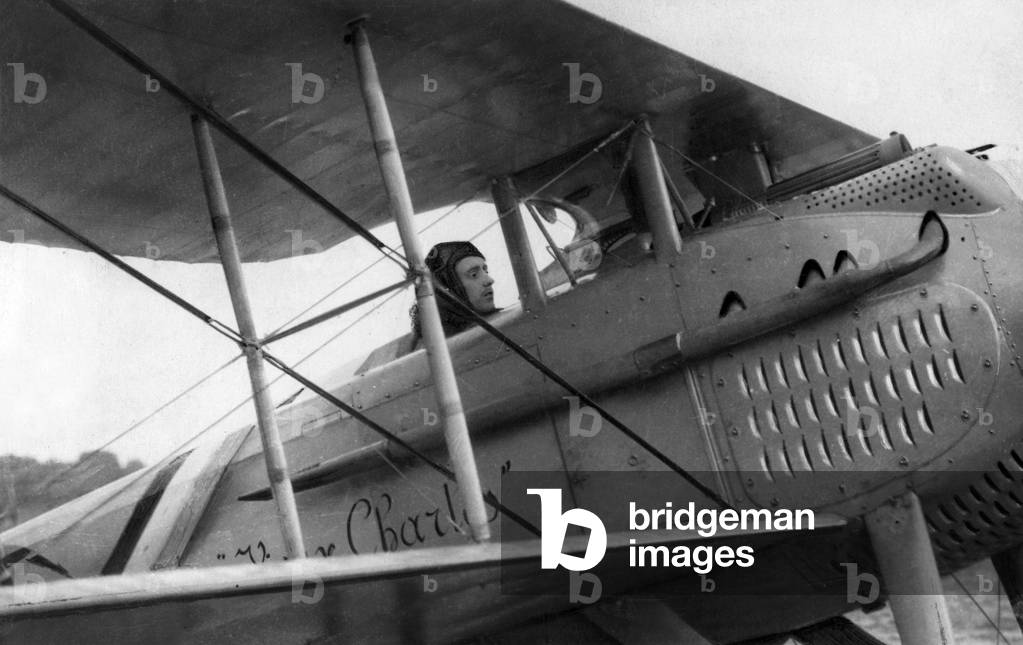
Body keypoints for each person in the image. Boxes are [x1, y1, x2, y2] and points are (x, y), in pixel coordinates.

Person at [410, 241, 496, 340]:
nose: (490, 280)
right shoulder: (437, 348)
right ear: (446, 287)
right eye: (474, 275)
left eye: (486, 271)